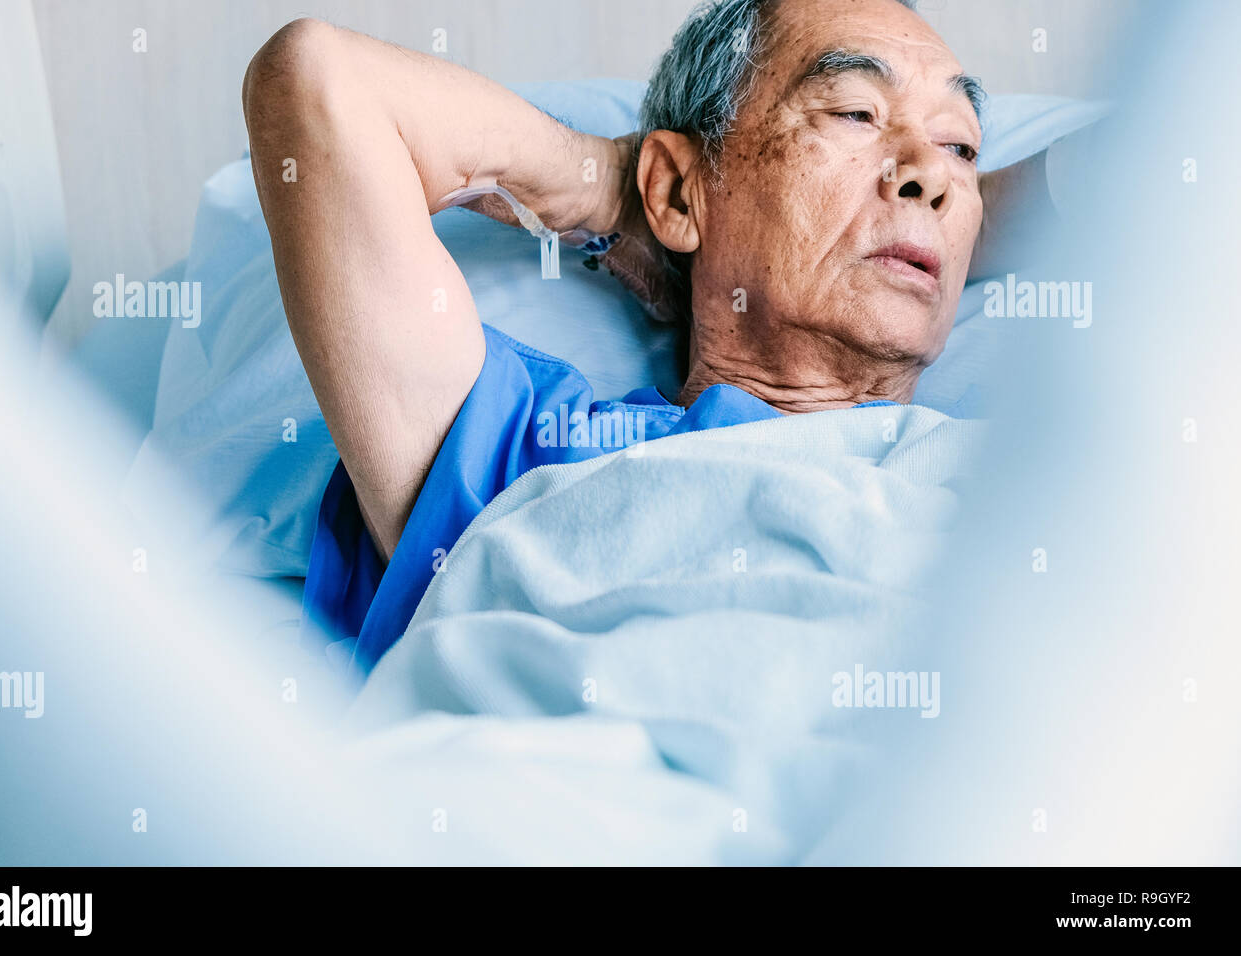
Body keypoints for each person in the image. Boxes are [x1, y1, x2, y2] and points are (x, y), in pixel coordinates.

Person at [241, 0, 1057, 671]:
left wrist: (914, 220)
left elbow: (1170, 169)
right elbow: (316, 81)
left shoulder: (1031, 479)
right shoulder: (527, 454)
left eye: (961, 146)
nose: (935, 174)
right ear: (676, 190)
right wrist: (608, 187)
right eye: (854, 112)